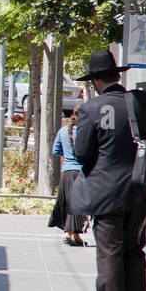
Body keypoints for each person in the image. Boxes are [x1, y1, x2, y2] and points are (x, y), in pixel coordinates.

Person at [68, 50, 146, 291]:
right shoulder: (140, 103)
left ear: (95, 81)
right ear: (117, 75)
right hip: (140, 190)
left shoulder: (92, 109)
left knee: (109, 255)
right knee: (134, 251)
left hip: (106, 194)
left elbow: (82, 153)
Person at [49, 104, 87, 246]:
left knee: (67, 202)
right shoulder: (84, 131)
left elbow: (56, 150)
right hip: (80, 172)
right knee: (78, 203)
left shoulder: (63, 130)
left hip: (66, 172)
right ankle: (68, 233)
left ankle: (75, 234)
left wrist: (68, 155)